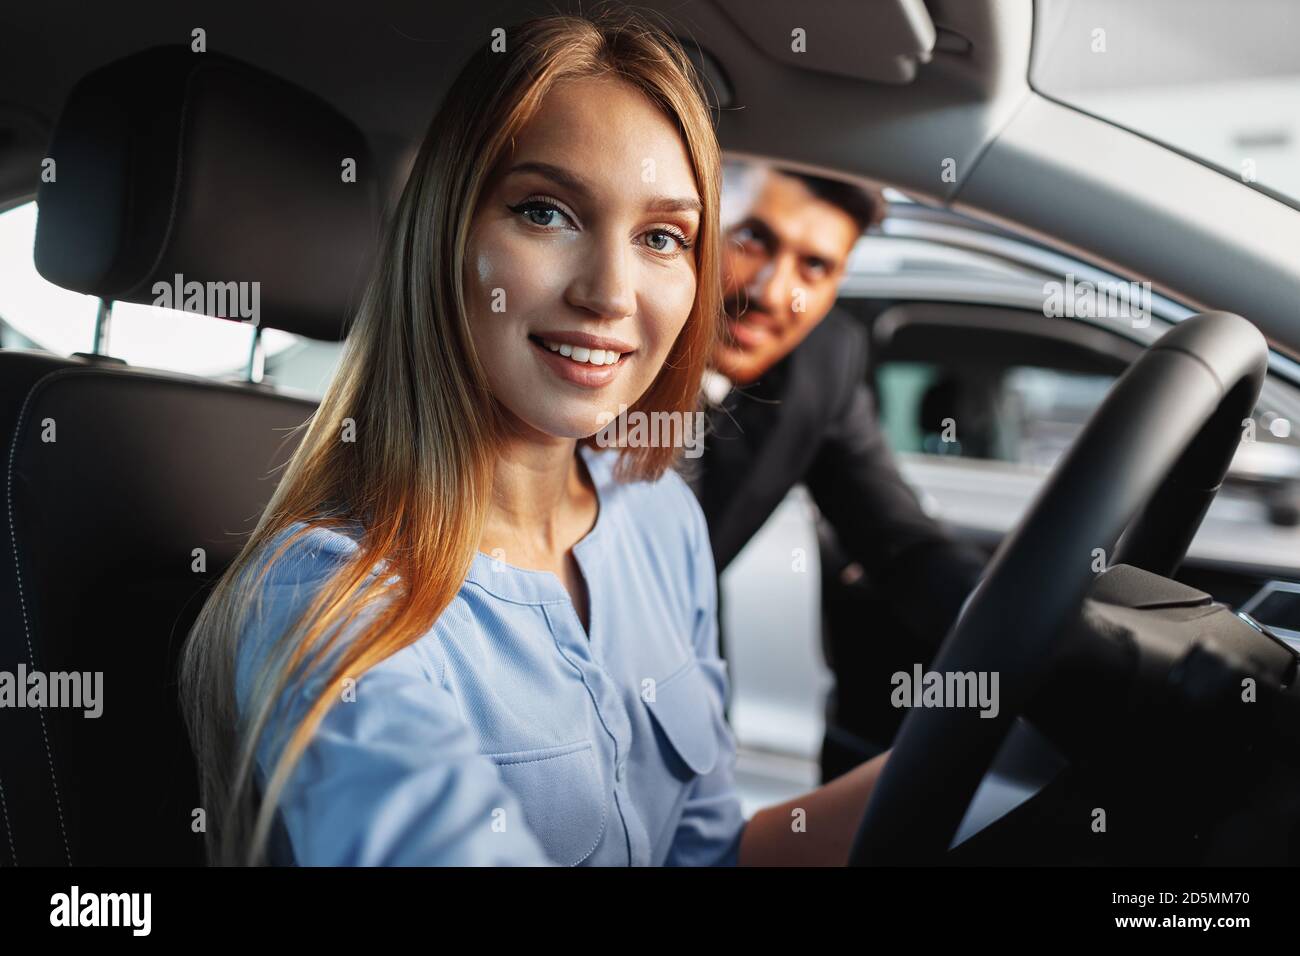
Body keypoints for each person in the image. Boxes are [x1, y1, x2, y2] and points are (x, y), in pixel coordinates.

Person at [180, 10, 887, 867]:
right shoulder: (326, 593)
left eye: (663, 236)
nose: (611, 293)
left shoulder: (663, 518)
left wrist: (974, 744)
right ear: (446, 235)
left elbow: (707, 855)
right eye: (547, 213)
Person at [693, 162, 987, 781]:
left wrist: (1026, 631)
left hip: (685, 669)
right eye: (753, 240)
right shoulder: (599, 337)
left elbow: (899, 540)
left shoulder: (825, 362)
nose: (773, 292)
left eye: (815, 266)